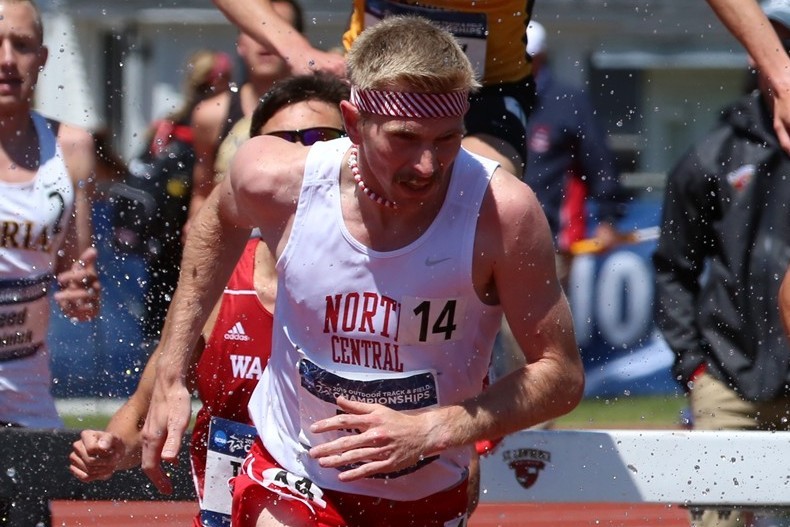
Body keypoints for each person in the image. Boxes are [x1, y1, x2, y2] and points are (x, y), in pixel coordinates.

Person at [140, 16, 584, 527]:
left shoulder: (502, 212)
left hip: (427, 488)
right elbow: (215, 224)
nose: (426, 165)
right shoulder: (276, 177)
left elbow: (561, 375)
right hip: (292, 467)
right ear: (353, 123)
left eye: (446, 140)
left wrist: (435, 429)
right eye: (405, 138)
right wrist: (172, 371)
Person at [68, 72, 351, 527]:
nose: (305, 156)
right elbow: (143, 413)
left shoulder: (380, 278)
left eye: (322, 139)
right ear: (256, 156)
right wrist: (112, 450)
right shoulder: (216, 287)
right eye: (284, 140)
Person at [653, 1, 790, 525]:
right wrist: (694, 366)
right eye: (772, 38)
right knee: (718, 520)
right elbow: (672, 266)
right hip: (728, 378)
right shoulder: (714, 154)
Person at [212, 0, 533, 178]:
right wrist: (296, 49)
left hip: (484, 91)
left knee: (483, 183)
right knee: (265, 173)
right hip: (365, 83)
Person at [0, 0, 100, 522]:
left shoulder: (70, 146)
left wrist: (83, 294)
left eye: (20, 45)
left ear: (41, 57)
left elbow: (78, 286)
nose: (5, 59)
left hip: (26, 406)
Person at [115, 49, 232, 343]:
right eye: (227, 81)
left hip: (162, 235)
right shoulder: (212, 123)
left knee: (163, 313)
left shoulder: (165, 125)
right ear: (217, 82)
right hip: (192, 228)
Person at [523, 20, 626, 291]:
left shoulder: (569, 103)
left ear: (540, 57)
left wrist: (607, 218)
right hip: (490, 238)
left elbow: (600, 163)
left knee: (537, 328)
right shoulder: (493, 101)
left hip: (551, 239)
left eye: (525, 58)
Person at [187, 0, 303, 225]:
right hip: (234, 250)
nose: (266, 40)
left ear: (298, 42)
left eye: (280, 30)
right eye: (255, 30)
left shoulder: (320, 113)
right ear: (240, 43)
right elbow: (201, 193)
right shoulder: (211, 115)